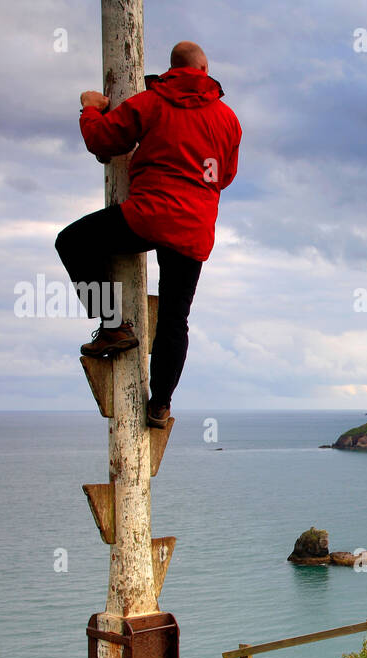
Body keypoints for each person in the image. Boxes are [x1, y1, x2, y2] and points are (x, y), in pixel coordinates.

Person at [55, 41, 241, 428]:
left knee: (72, 242)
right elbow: (224, 177)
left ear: (172, 68)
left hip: (148, 214)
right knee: (176, 318)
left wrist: (90, 107)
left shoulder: (151, 102)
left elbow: (103, 140)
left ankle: (112, 327)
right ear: (205, 70)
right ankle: (159, 406)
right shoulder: (229, 120)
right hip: (194, 230)